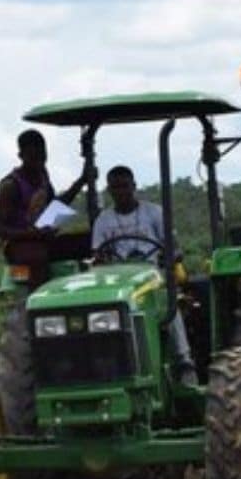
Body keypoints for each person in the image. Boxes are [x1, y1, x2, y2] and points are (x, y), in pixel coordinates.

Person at [91, 165, 197, 387]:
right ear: (109, 190)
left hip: (152, 273)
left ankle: (183, 361)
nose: (120, 192)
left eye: (124, 186)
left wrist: (170, 258)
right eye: (115, 187)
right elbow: (97, 254)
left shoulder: (154, 212)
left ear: (134, 186)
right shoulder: (104, 220)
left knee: (169, 304)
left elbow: (174, 247)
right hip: (118, 279)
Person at [0, 129, 93, 284]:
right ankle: (36, 303)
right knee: (37, 258)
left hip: (44, 240)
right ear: (21, 156)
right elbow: (0, 229)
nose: (39, 162)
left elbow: (55, 208)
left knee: (91, 240)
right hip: (18, 246)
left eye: (43, 156)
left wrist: (82, 181)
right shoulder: (11, 185)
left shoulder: (43, 175)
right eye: (33, 157)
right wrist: (34, 235)